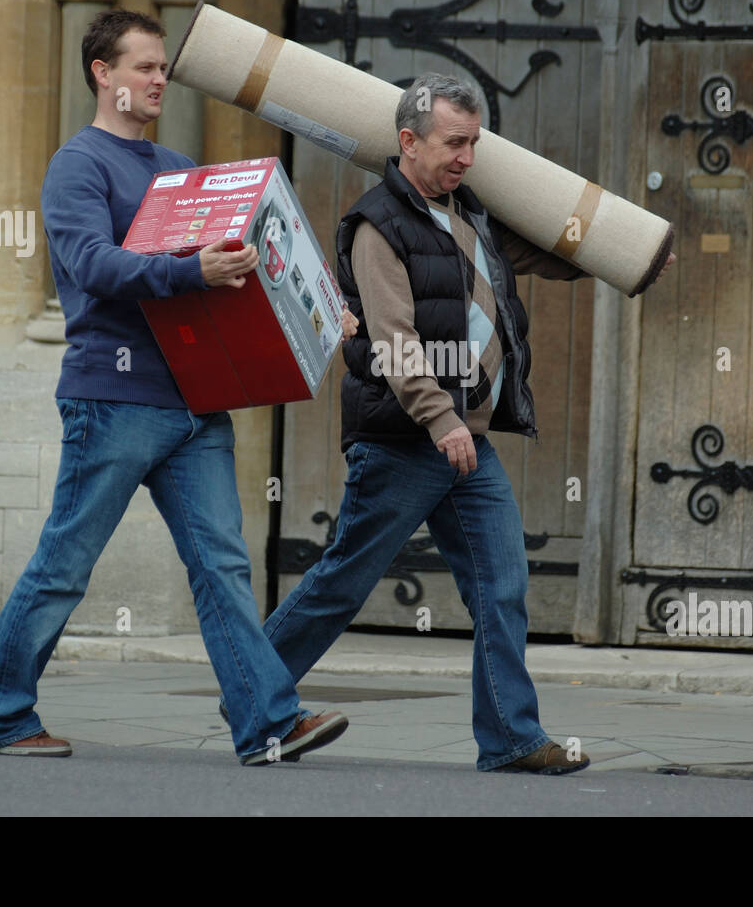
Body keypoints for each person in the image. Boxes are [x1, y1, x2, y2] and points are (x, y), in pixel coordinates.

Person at [241, 73, 675, 774]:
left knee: (501, 585)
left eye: (474, 143)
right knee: (342, 581)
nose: (467, 157)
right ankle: (249, 696)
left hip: (462, 441)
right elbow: (393, 340)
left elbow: (557, 252)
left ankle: (510, 738)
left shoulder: (470, 215)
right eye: (454, 143)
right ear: (408, 142)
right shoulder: (377, 226)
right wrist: (442, 419)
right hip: (405, 440)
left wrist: (637, 251)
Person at [0, 9, 347, 765]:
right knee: (66, 564)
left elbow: (240, 265)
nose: (161, 78)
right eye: (145, 67)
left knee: (223, 564)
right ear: (104, 74)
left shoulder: (176, 167)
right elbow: (91, 266)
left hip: (196, 401)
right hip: (114, 397)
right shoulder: (79, 164)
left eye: (164, 67)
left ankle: (268, 721)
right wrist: (186, 269)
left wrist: (325, 308)